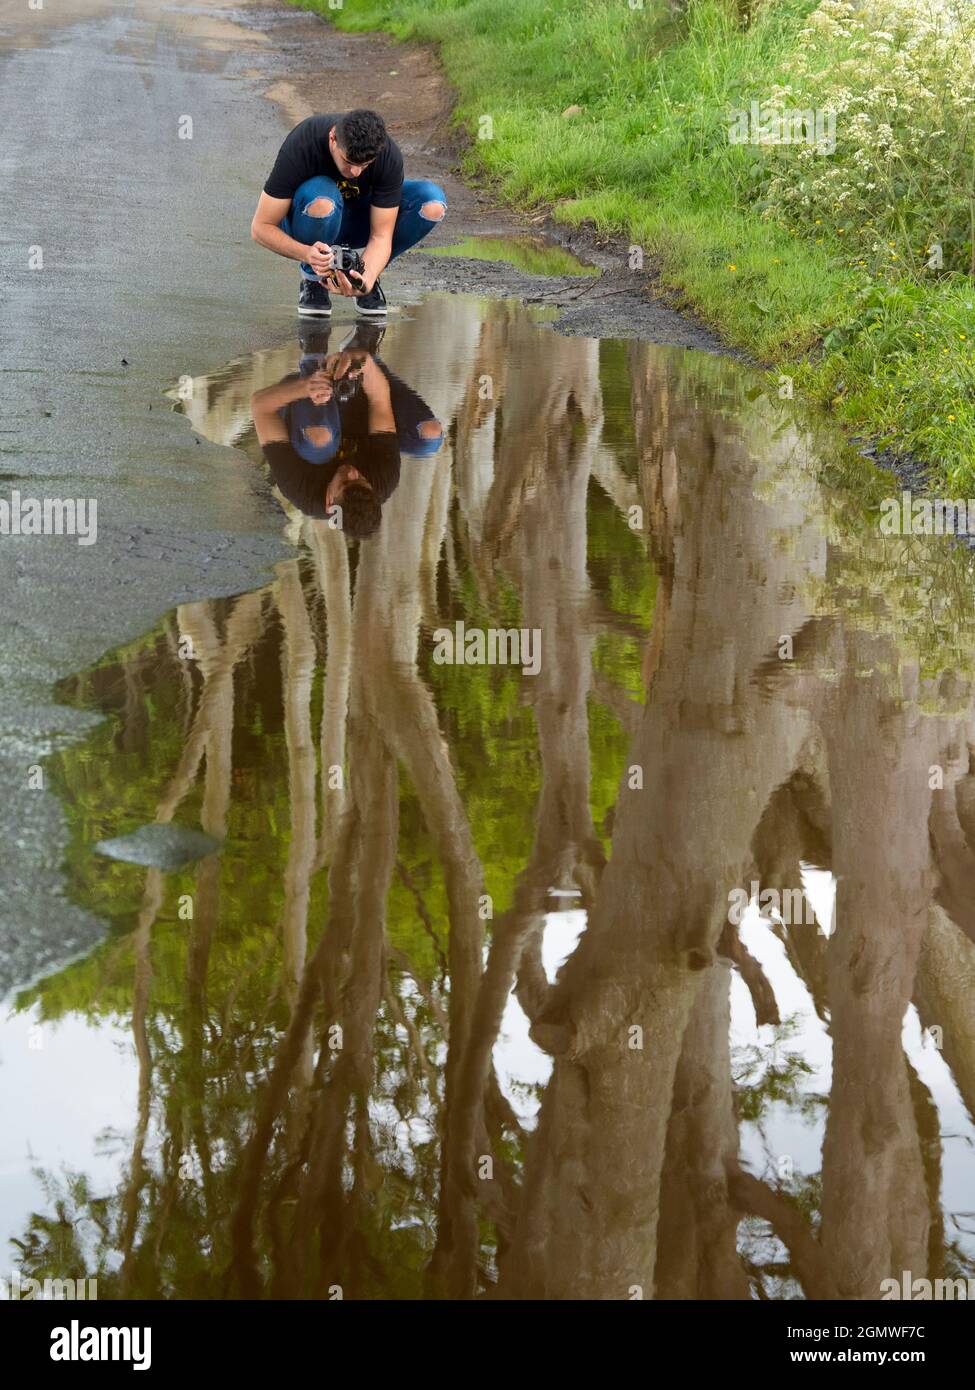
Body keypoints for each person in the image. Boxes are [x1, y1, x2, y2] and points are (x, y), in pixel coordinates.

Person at [250, 108, 447, 319]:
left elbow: (381, 236)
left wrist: (366, 277)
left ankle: (360, 273)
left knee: (432, 203)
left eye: (364, 165)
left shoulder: (387, 154)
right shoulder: (303, 143)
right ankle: (314, 278)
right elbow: (260, 228)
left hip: (358, 219)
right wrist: (306, 254)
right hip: (310, 219)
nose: (355, 172)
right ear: (332, 138)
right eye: (349, 162)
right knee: (322, 201)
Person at [250, 325, 443, 540]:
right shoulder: (384, 481)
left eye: (344, 483)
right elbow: (380, 400)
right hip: (357, 401)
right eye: (361, 480)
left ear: (329, 502)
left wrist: (306, 387)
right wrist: (363, 362)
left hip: (309, 406)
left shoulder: (301, 490)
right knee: (429, 435)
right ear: (374, 492)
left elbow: (260, 405)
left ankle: (313, 350)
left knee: (319, 443)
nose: (352, 472)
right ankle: (360, 346)